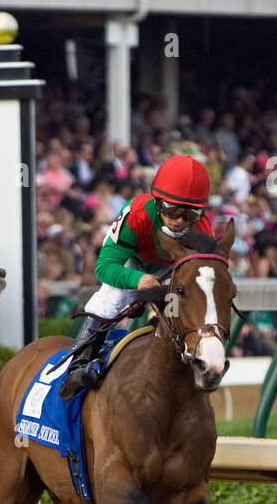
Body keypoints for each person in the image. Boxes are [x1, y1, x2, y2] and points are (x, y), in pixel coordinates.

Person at [59, 154, 215, 398]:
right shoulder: (137, 213)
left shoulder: (204, 230)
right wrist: (138, 282)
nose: (179, 220)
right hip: (134, 263)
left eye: (191, 215)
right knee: (111, 297)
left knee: (181, 304)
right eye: (172, 210)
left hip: (174, 272)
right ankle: (79, 366)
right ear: (158, 201)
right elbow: (105, 267)